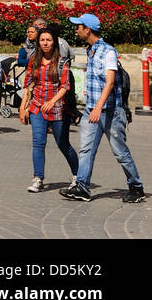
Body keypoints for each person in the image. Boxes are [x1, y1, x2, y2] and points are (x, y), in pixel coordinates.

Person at [61, 13, 144, 203]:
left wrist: (99, 107)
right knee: (86, 150)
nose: (76, 30)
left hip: (111, 112)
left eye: (78, 26)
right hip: (92, 110)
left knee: (120, 152)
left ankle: (136, 187)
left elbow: (110, 82)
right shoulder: (90, 50)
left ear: (87, 29)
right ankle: (82, 187)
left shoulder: (108, 52)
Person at [17, 26, 78, 193]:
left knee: (63, 144)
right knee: (38, 143)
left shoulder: (62, 62)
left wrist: (53, 101)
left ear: (54, 42)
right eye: (42, 40)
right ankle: (38, 178)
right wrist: (23, 107)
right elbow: (28, 84)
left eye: (48, 40)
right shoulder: (33, 60)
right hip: (37, 107)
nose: (45, 43)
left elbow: (65, 86)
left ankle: (77, 175)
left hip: (58, 108)